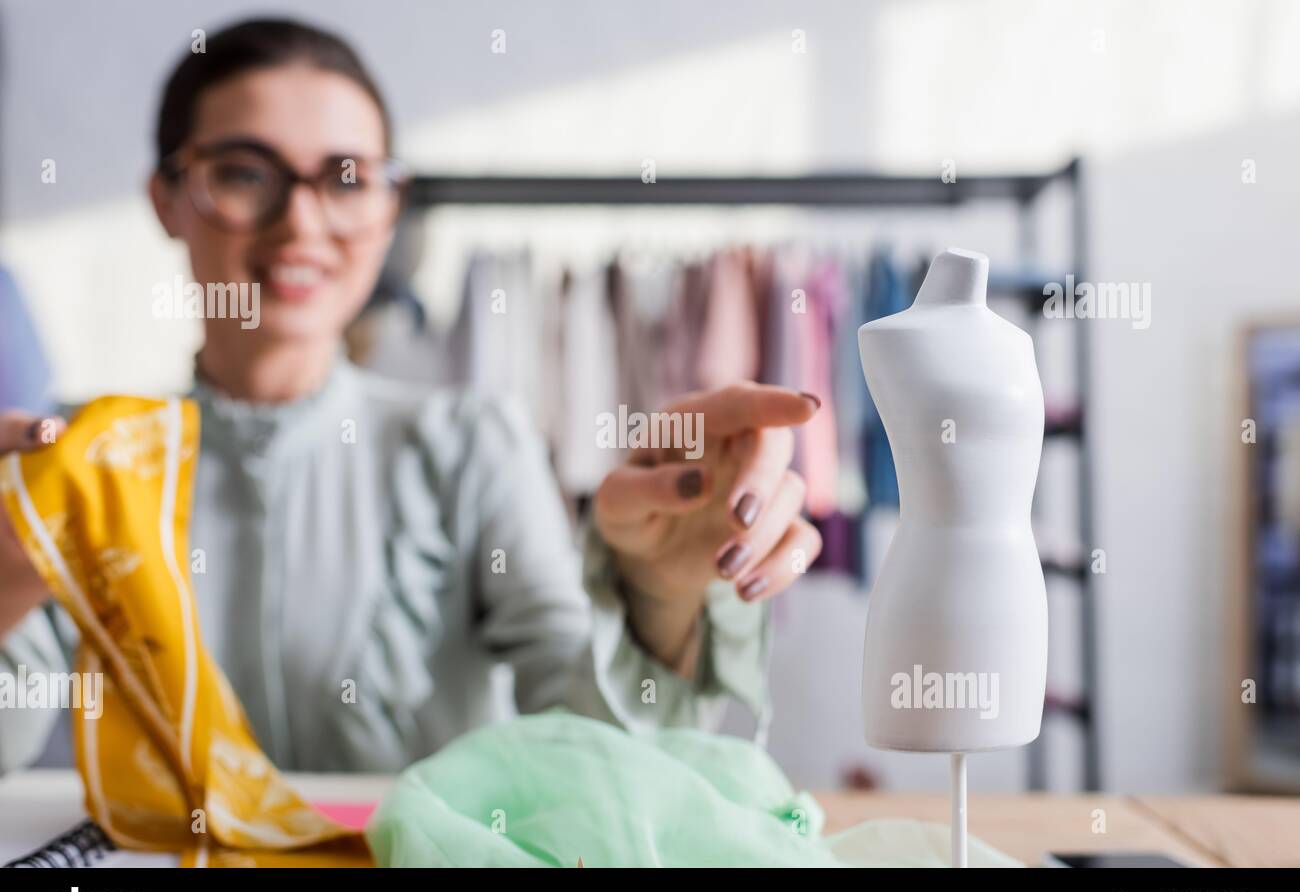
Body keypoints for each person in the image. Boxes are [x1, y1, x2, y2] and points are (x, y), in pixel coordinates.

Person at [0, 18, 821, 774]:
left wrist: (658, 602)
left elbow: (597, 753)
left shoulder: (471, 443)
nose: (301, 222)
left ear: (390, 207)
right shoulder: (72, 455)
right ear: (166, 198)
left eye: (347, 179)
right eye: (245, 173)